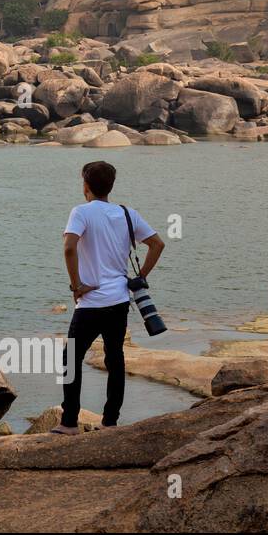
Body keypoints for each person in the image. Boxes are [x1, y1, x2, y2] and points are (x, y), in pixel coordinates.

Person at [53, 160, 165, 435]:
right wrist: (140, 277)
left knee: (70, 360)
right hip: (118, 300)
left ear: (85, 186)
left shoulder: (81, 212)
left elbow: (69, 248)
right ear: (110, 186)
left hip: (91, 302)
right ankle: (110, 422)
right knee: (114, 358)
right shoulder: (127, 213)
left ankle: (69, 422)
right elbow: (157, 244)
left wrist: (76, 285)